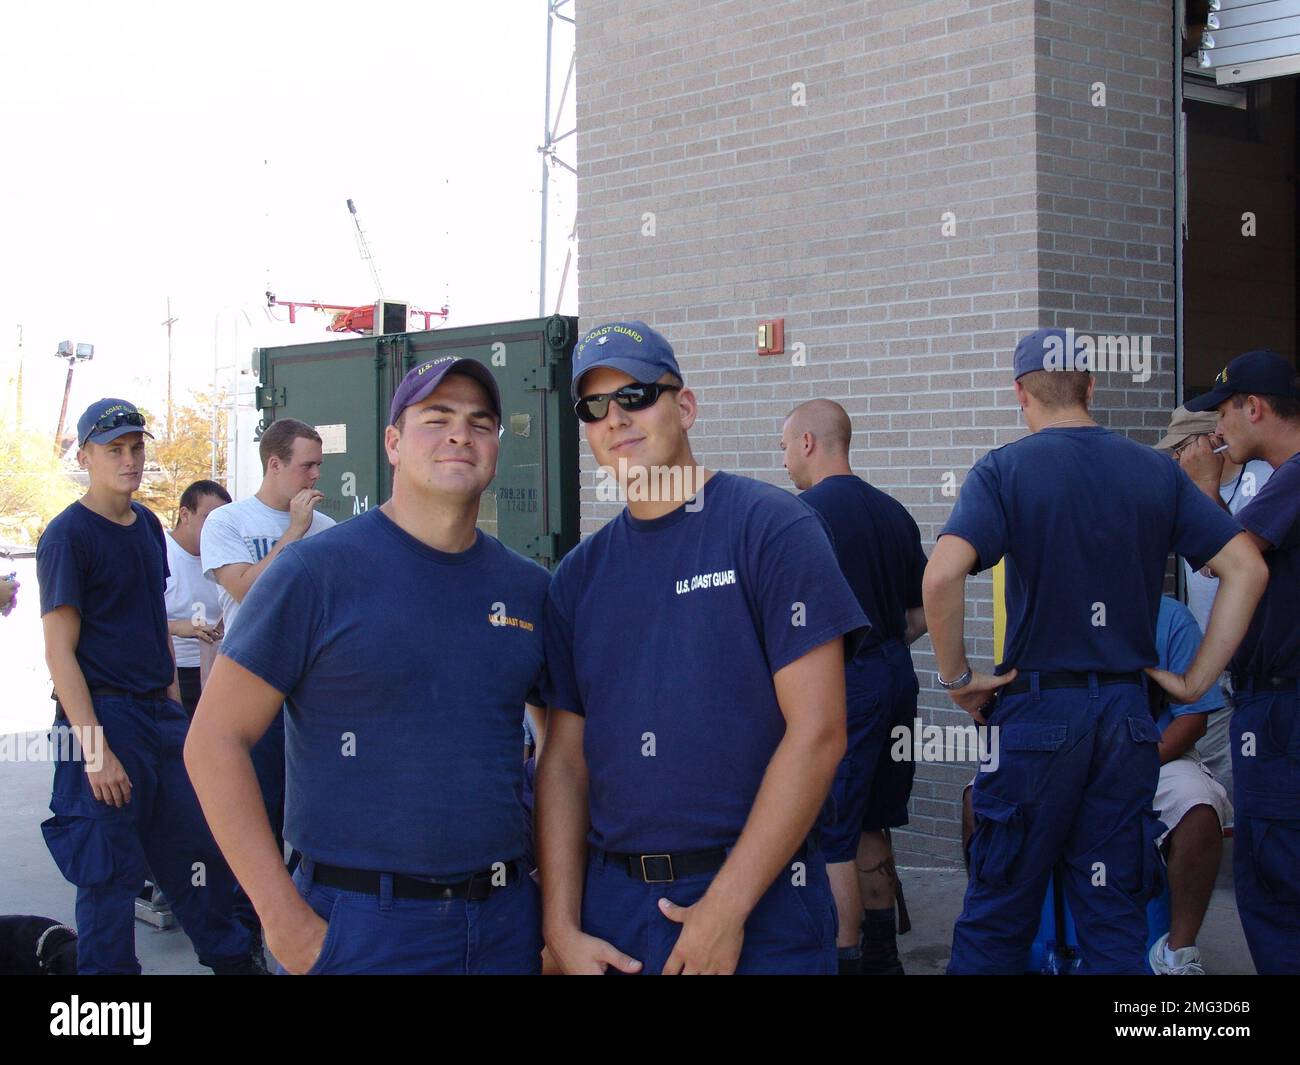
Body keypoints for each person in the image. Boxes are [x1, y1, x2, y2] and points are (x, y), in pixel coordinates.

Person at [186, 356, 549, 974]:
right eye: (436, 419)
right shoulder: (314, 574)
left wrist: (553, 909)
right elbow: (213, 741)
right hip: (357, 926)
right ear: (393, 444)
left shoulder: (529, 589)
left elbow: (562, 746)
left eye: (479, 422)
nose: (460, 434)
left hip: (504, 922)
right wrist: (283, 920)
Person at [925, 329, 1266, 975]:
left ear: (1021, 393)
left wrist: (959, 677)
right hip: (1124, 716)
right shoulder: (1154, 472)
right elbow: (1246, 568)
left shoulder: (1003, 469)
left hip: (1037, 717)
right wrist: (1195, 681)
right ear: (1092, 385)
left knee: (998, 910)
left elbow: (941, 575)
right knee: (1112, 915)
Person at [538, 321, 870, 976]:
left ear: (684, 406)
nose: (616, 418)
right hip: (619, 918)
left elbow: (819, 731)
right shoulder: (577, 577)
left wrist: (726, 907)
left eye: (637, 394)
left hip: (763, 903)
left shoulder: (771, 528)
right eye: (595, 405)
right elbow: (564, 764)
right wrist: (560, 927)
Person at [36, 398, 255, 975]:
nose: (130, 459)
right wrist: (94, 749)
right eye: (115, 450)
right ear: (84, 456)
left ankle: (235, 963)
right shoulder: (68, 536)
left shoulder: (148, 528)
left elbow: (150, 620)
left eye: (136, 447)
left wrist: (176, 712)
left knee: (196, 858)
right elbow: (60, 651)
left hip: (158, 720)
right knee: (109, 876)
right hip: (102, 721)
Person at [780, 398, 928, 975]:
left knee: (832, 833)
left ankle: (842, 961)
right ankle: (883, 958)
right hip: (896, 676)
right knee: (874, 820)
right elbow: (918, 614)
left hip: (847, 684)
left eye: (787, 444)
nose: (785, 457)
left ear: (810, 443)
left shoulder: (801, 517)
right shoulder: (894, 513)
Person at [1171, 348, 1300, 974]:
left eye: (1222, 413)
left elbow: (1226, 558)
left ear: (1255, 407)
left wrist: (1202, 490)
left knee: (1275, 879)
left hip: (1282, 704)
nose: (1216, 432)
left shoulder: (1295, 475)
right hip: (1274, 699)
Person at [199, 418, 335, 961]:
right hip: (254, 688)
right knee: (254, 812)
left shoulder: (325, 525)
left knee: (307, 812)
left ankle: (306, 916)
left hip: (314, 694)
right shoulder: (227, 522)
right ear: (274, 464)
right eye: (306, 464)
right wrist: (292, 535)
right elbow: (247, 590)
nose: (315, 475)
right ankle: (245, 935)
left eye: (319, 464)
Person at [1154, 404, 1272, 797]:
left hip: (1263, 665)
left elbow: (1229, 563)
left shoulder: (1264, 479)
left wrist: (1206, 486)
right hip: (1212, 660)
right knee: (1218, 777)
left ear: (1213, 443)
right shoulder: (1189, 491)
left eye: (1183, 448)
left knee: (1256, 787)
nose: (1176, 459)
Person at [1147, 595, 1233, 975]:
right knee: (980, 795)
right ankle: (1000, 939)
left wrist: (1132, 768)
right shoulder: (1052, 605)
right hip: (1070, 756)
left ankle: (1177, 953)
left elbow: (1192, 718)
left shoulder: (1170, 616)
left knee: (1198, 806)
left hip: (1157, 756)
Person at [164, 480, 231, 717]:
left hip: (218, 670)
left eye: (222, 520)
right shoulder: (160, 551)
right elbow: (132, 620)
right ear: (185, 514)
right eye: (209, 518)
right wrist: (177, 627)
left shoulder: (227, 556)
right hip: (173, 672)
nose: (216, 528)